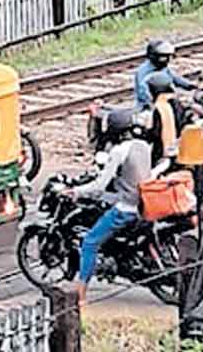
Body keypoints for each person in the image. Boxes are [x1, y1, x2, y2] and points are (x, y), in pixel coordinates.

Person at [63, 109, 154, 307]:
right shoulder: (143, 145)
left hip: (126, 208)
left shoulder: (119, 151)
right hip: (144, 204)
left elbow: (99, 186)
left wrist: (76, 191)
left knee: (89, 243)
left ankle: (81, 296)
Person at [134, 39, 196, 109]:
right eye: (165, 57)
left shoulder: (163, 68)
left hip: (167, 100)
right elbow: (142, 91)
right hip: (149, 107)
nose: (168, 59)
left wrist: (190, 85)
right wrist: (150, 103)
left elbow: (175, 78)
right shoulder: (144, 72)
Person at [147, 72, 184, 175]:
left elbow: (155, 134)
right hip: (179, 148)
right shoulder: (177, 103)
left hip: (163, 153)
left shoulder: (160, 108)